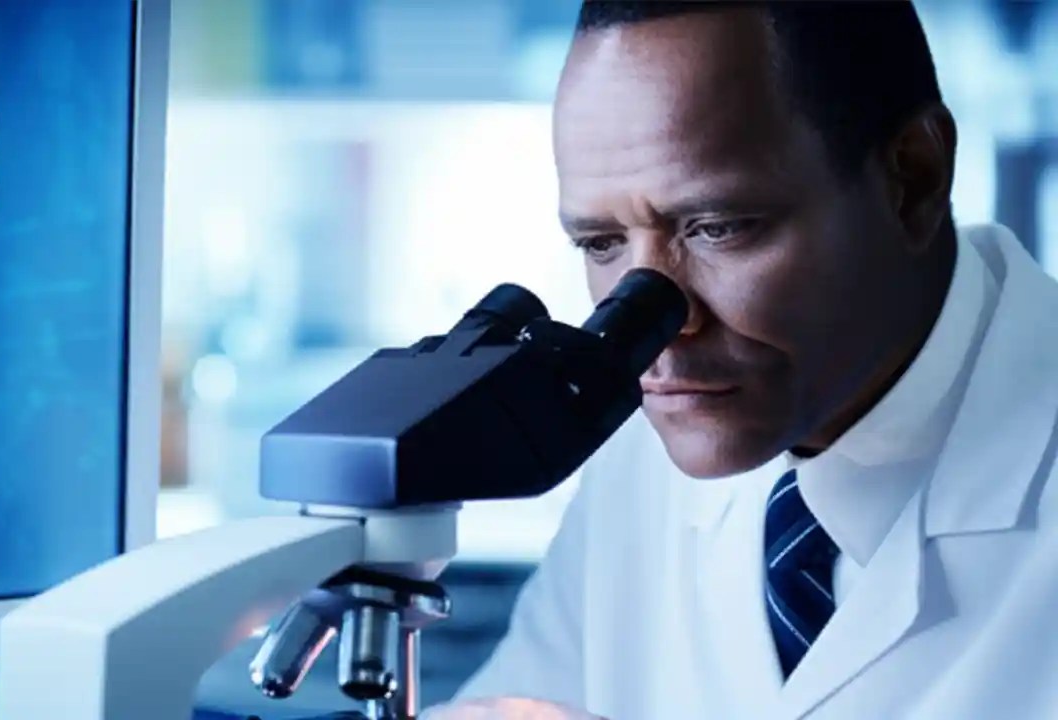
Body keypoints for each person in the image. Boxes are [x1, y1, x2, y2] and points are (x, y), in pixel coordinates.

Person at [425, 2, 1058, 719]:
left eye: (716, 228)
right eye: (601, 244)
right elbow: (526, 701)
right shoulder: (641, 454)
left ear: (912, 179)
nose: (660, 327)